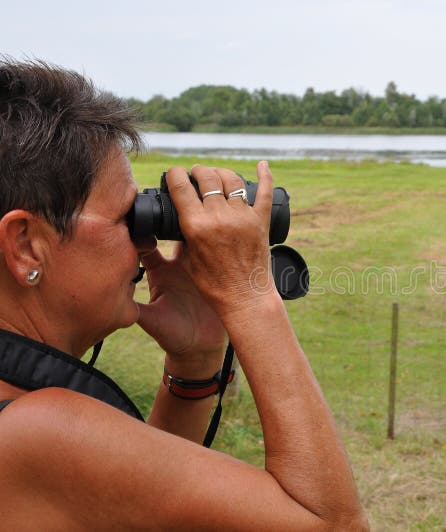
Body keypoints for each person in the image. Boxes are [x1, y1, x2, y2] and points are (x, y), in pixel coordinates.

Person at [0, 59, 368, 529]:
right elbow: (336, 524)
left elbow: (136, 511)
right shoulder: (39, 433)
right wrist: (248, 296)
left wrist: (194, 362)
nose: (147, 241)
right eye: (126, 218)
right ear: (27, 246)